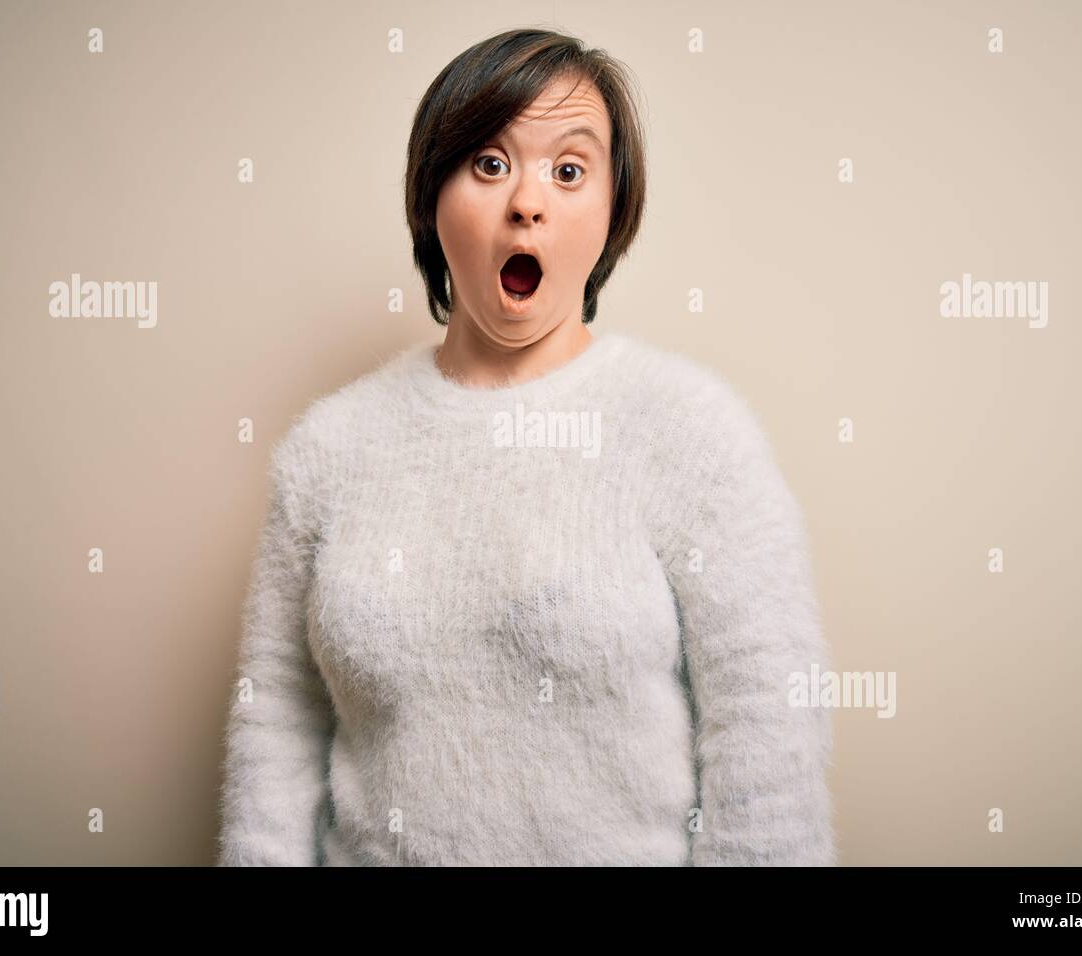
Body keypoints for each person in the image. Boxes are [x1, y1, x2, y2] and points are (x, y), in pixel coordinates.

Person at [217, 27, 836, 866]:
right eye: (490, 164)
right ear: (432, 200)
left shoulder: (693, 433)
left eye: (569, 169)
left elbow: (770, 749)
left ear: (613, 212)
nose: (528, 202)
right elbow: (276, 739)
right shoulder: (326, 453)